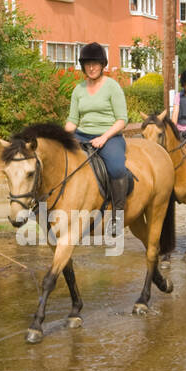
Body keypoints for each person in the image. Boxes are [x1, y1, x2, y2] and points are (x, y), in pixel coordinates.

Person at [66, 42, 130, 235]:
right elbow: (72, 120)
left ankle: (117, 217)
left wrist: (104, 137)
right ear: (83, 66)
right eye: (88, 64)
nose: (91, 67)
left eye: (95, 63)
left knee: (117, 168)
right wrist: (62, 137)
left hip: (110, 136)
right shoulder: (78, 89)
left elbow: (122, 120)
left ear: (102, 65)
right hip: (82, 135)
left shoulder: (113, 87)